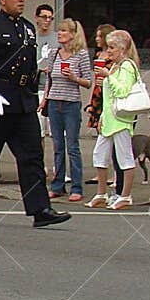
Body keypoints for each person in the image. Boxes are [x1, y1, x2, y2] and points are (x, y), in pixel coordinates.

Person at [0, 0, 70, 229]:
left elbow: (29, 65)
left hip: (22, 101)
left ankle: (40, 209)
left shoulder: (27, 28)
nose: (21, 0)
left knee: (32, 156)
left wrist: (35, 94)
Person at [40, 17, 93, 203]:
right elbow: (49, 79)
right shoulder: (54, 53)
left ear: (73, 34)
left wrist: (73, 77)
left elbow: (88, 82)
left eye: (64, 31)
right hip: (54, 102)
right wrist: (45, 100)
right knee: (57, 146)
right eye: (60, 30)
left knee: (72, 146)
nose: (60, 34)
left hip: (71, 103)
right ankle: (57, 185)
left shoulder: (81, 55)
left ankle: (77, 187)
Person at [88, 28, 141, 209]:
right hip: (110, 118)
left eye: (112, 47)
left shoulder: (127, 66)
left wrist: (107, 76)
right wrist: (102, 115)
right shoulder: (116, 66)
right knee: (99, 155)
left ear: (122, 48)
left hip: (121, 120)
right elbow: (109, 96)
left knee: (124, 157)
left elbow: (122, 91)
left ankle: (125, 195)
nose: (108, 51)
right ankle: (101, 193)